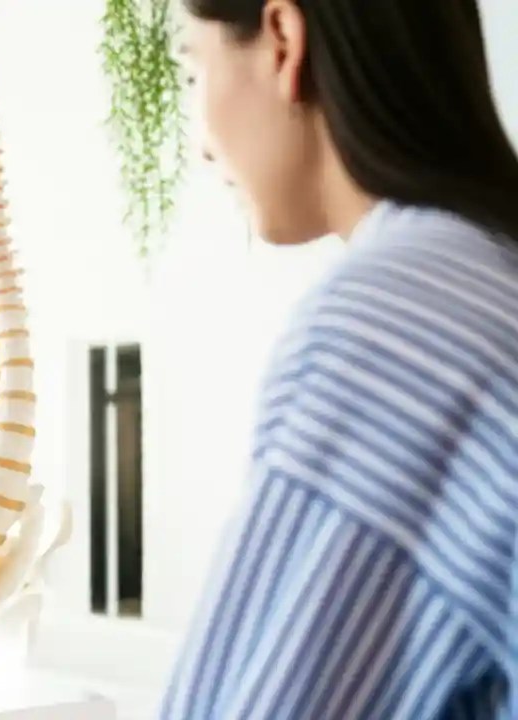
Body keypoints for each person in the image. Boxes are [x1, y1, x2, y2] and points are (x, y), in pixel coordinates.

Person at [160, 0, 518, 717]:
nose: (200, 142)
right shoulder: (494, 275)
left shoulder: (396, 324)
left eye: (194, 64)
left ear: (284, 40)